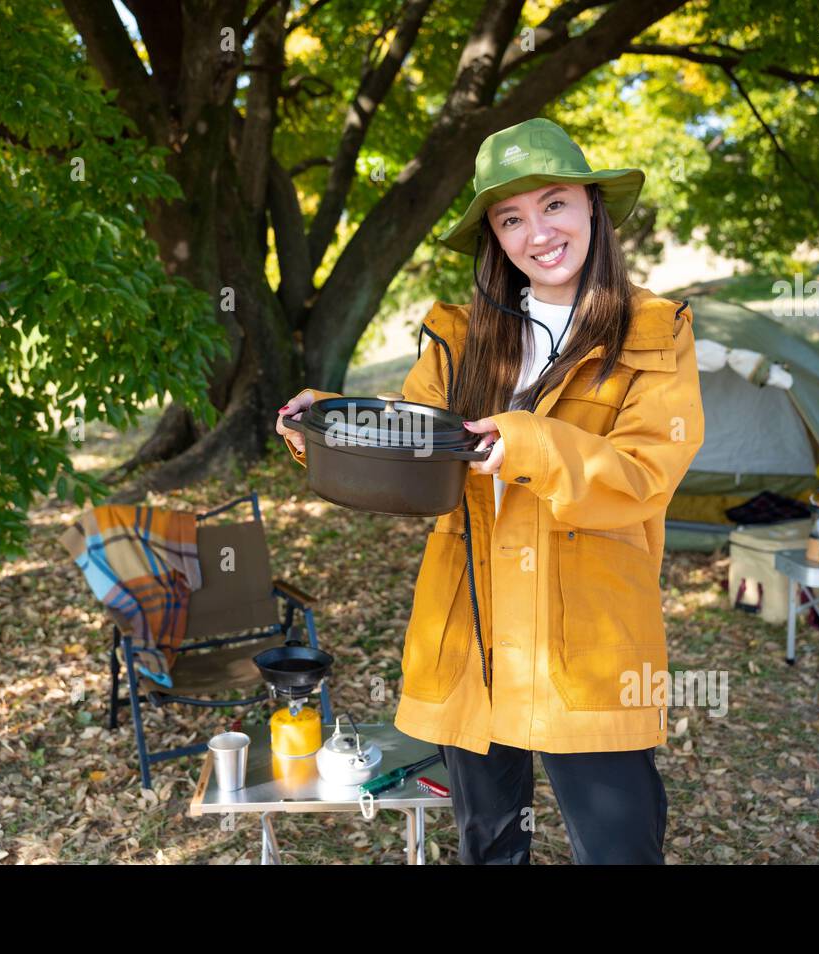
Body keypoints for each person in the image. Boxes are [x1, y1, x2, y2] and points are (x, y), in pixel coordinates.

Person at [275, 118, 705, 864]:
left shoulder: (653, 334)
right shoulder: (460, 336)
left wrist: (530, 444)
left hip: (589, 642)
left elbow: (644, 475)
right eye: (511, 218)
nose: (536, 232)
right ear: (495, 238)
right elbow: (410, 450)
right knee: (491, 845)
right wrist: (328, 425)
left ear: (594, 210)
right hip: (470, 629)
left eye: (555, 205)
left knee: (620, 848)